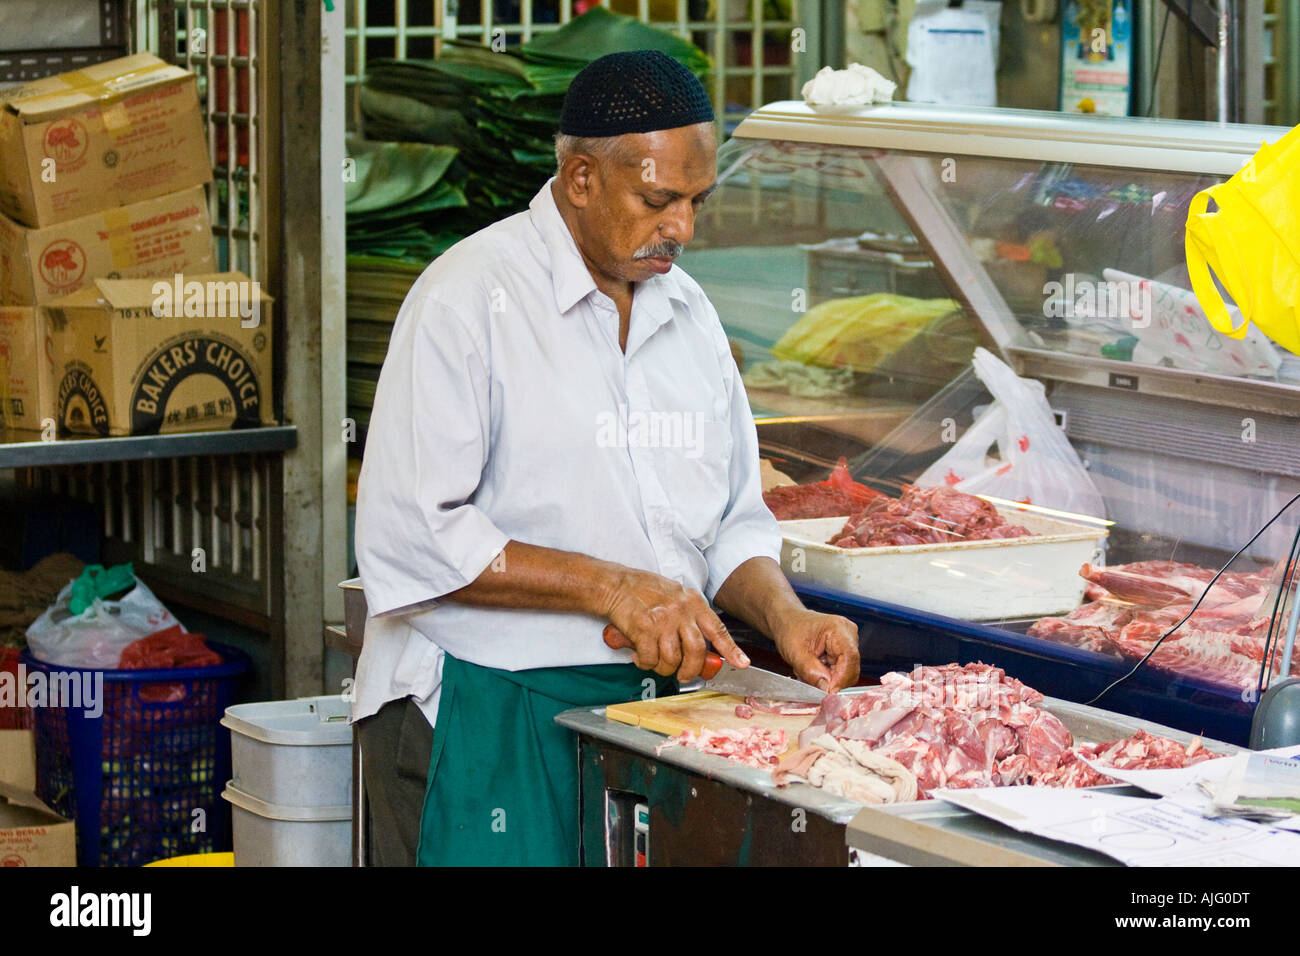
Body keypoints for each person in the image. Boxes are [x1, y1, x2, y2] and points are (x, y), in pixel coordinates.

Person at [351, 49, 860, 867]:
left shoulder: (690, 317)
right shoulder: (466, 300)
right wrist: (614, 588)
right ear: (580, 178)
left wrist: (785, 615)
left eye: (698, 201)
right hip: (489, 714)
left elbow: (730, 523)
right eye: (658, 199)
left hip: (650, 723)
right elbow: (412, 533)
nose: (683, 229)